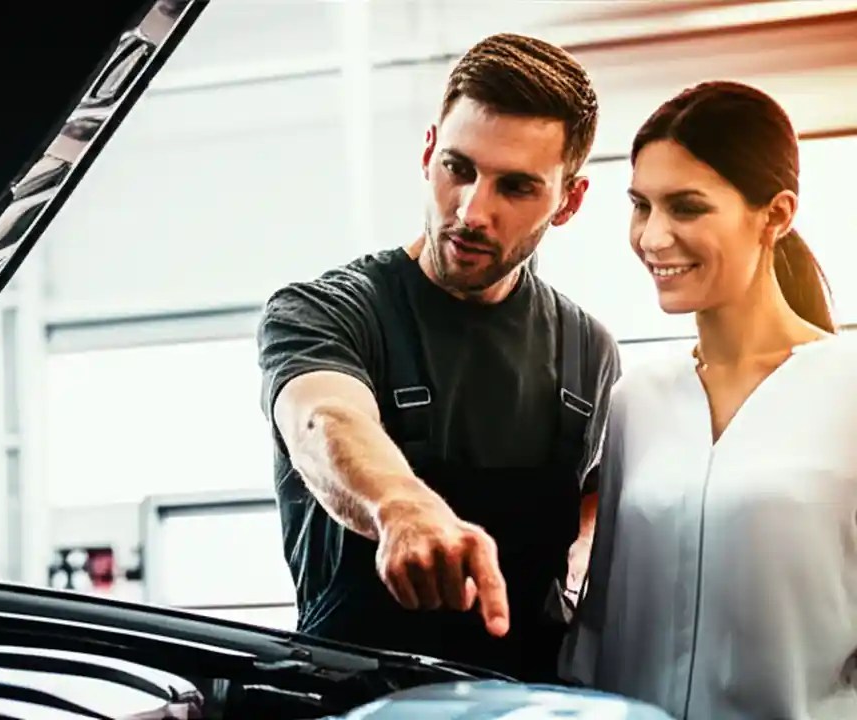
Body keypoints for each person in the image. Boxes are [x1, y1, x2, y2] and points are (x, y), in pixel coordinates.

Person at [256, 33, 622, 682]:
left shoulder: (588, 350)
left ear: (568, 200)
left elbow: (599, 505)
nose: (472, 210)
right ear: (428, 152)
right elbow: (325, 421)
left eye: (516, 187)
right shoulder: (330, 312)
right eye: (458, 168)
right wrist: (399, 504)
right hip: (356, 704)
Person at [559, 80, 857, 719]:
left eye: (687, 207)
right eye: (641, 206)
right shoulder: (636, 400)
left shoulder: (848, 391)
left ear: (775, 215)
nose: (653, 237)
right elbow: (599, 628)